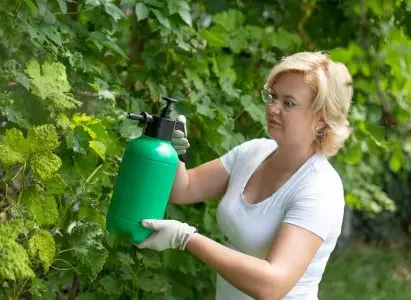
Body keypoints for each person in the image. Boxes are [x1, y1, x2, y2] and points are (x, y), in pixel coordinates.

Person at [136, 51, 353, 300]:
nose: (273, 108)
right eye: (272, 97)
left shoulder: (319, 189)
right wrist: (174, 156)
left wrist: (187, 239)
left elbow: (272, 284)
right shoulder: (253, 152)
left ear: (322, 121)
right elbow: (183, 190)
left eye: (288, 103)